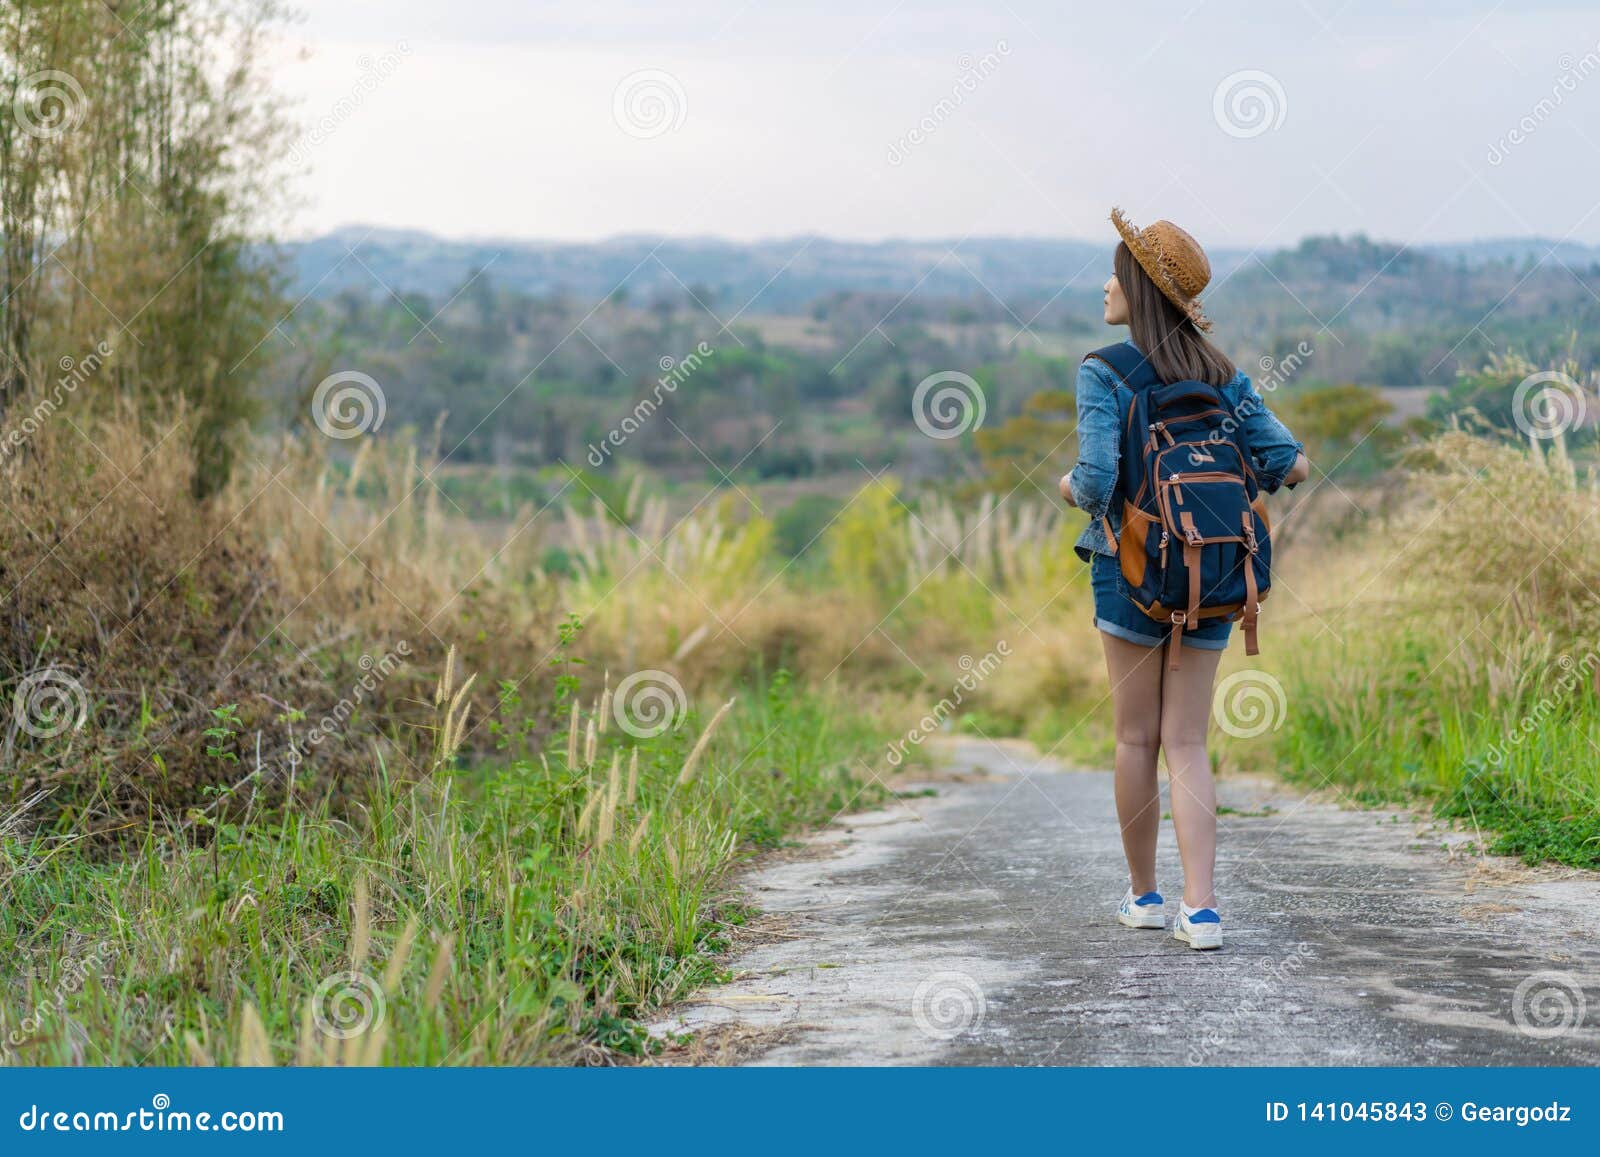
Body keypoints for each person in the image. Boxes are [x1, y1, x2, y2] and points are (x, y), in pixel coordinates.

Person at [1059, 209, 1308, 951]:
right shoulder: (1222, 374)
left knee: (1135, 738)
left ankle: (1144, 897)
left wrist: (1069, 486)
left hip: (1130, 570)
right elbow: (1288, 461)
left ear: (1138, 286)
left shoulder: (1104, 370)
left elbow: (1100, 478)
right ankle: (1202, 911)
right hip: (1218, 575)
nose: (1106, 283)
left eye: (1115, 271)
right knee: (1189, 741)